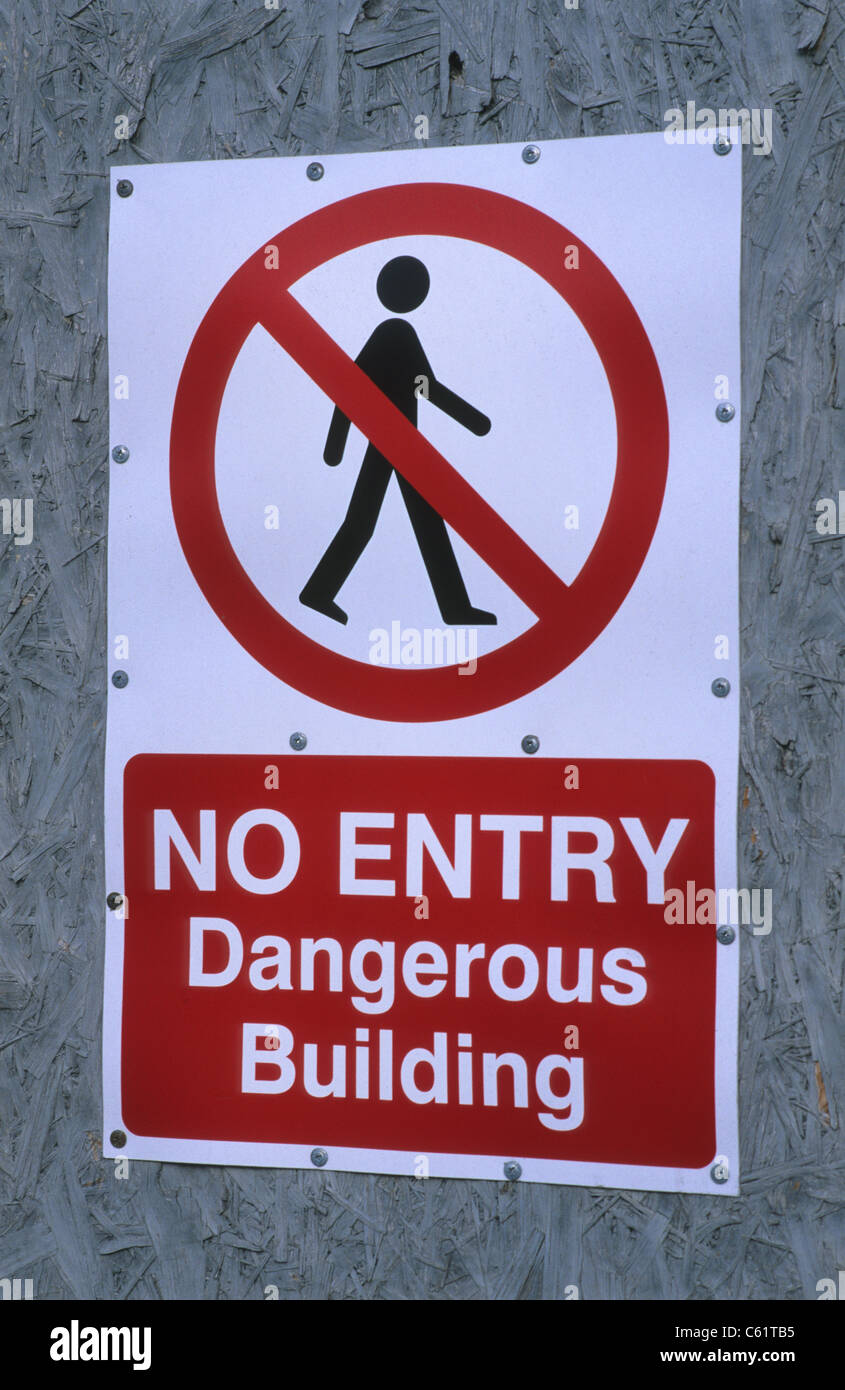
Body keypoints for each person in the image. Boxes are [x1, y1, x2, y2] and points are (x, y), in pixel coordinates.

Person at [299, 255, 495, 626]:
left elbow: (411, 388)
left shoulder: (396, 334)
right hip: (396, 444)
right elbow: (418, 388)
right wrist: (474, 420)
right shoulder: (396, 334)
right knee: (389, 522)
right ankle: (320, 592)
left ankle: (321, 591)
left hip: (400, 444)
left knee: (391, 521)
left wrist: (336, 447)